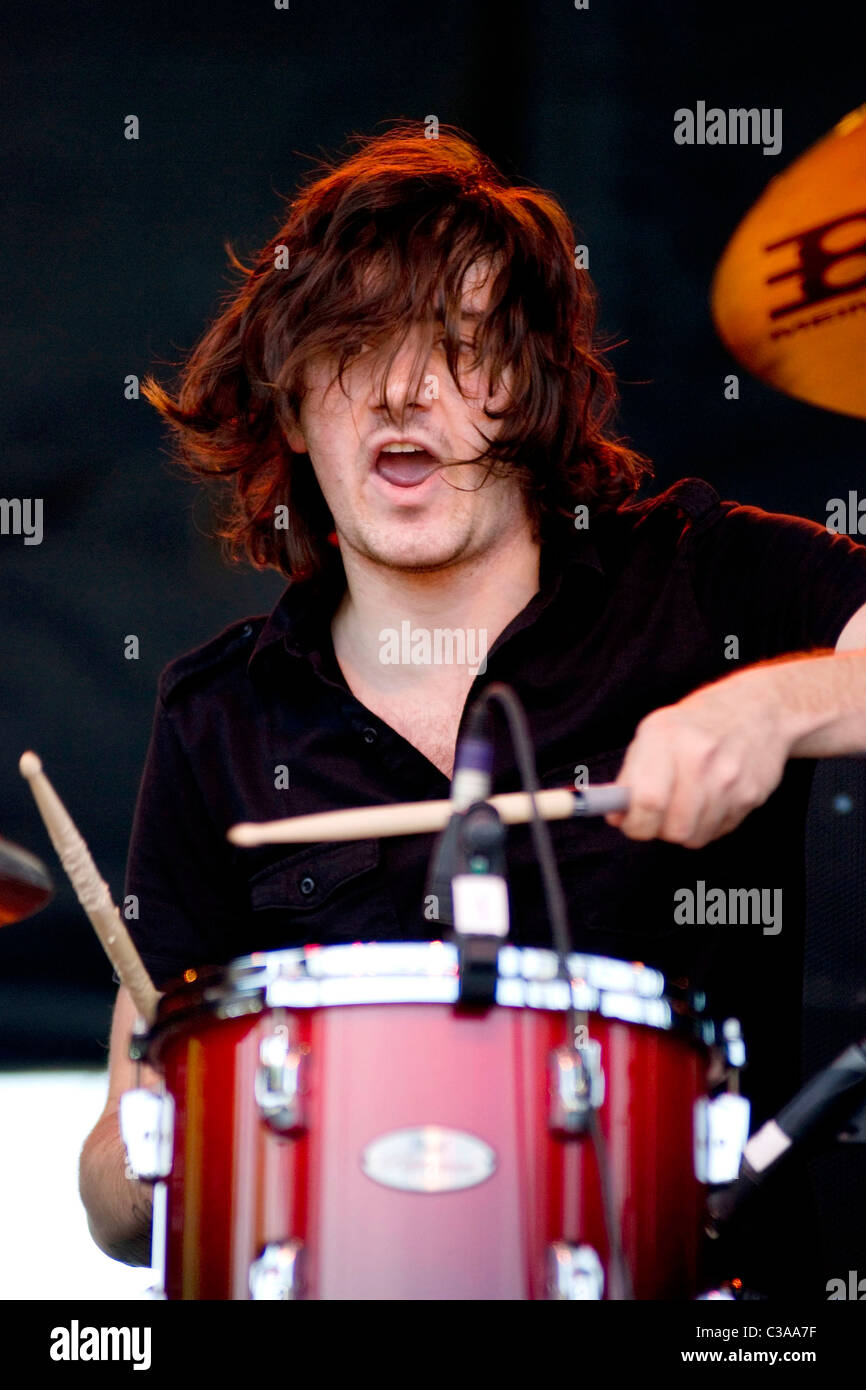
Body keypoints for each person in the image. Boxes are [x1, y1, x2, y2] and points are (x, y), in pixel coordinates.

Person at [80, 123, 866, 1294]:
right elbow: (112, 1192)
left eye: (458, 346)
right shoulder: (219, 715)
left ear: (531, 386)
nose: (404, 389)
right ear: (291, 411)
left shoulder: (698, 576)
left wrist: (775, 703)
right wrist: (152, 1151)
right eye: (352, 351)